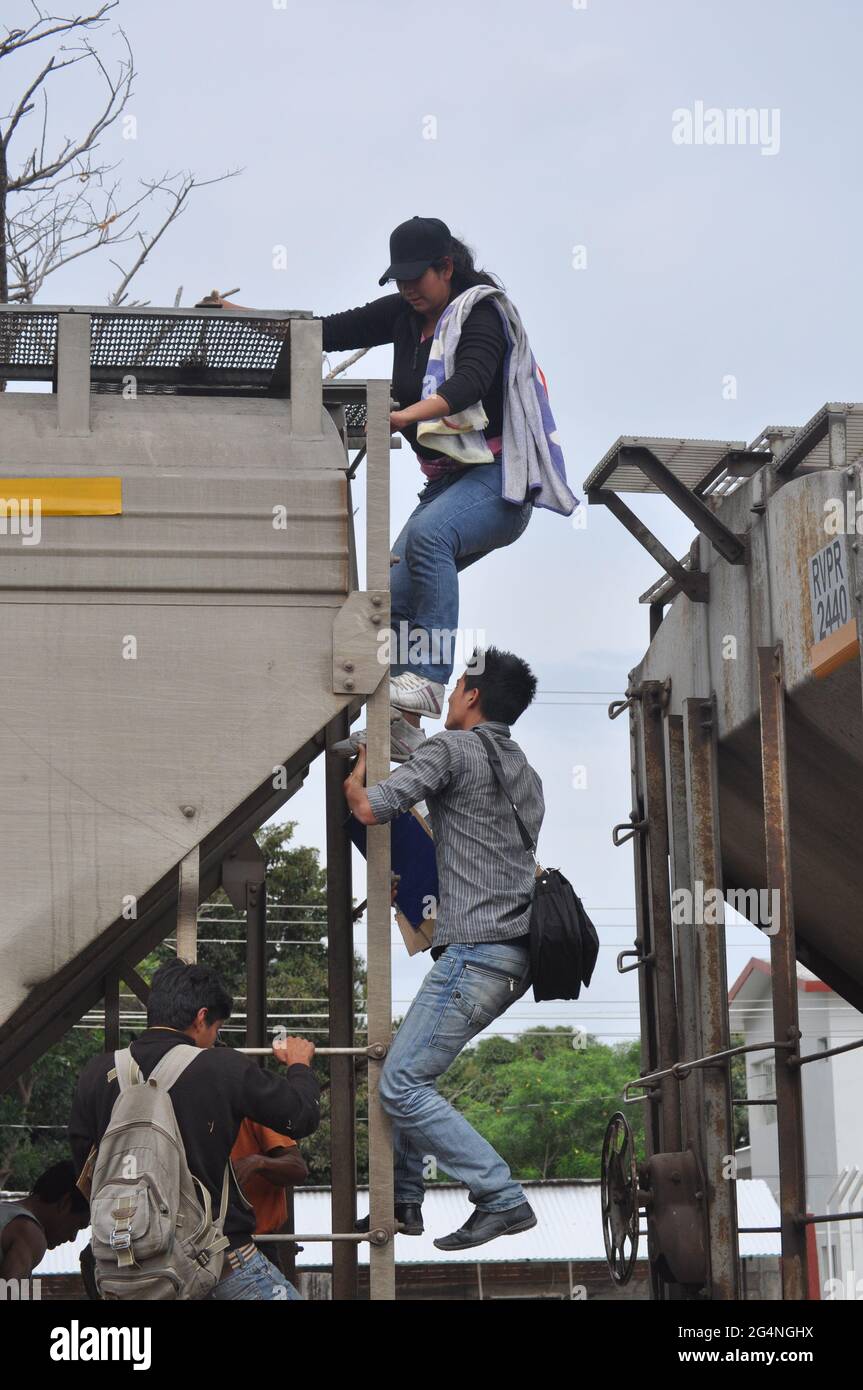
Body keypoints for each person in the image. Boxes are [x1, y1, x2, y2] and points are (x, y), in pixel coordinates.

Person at [199, 216, 576, 762]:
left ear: (446, 268)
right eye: (398, 281)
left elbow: (465, 384)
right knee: (390, 596)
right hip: (448, 484)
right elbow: (327, 331)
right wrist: (240, 317)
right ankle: (402, 728)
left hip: (498, 482)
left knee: (428, 538)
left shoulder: (482, 312)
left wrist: (403, 418)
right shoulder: (405, 313)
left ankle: (426, 681)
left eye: (416, 280)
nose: (407, 291)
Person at [343, 646, 543, 1251]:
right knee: (403, 1061)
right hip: (516, 956)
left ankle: (500, 1197)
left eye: (456, 687)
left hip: (476, 953)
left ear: (474, 697)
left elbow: (370, 807)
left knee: (400, 1083)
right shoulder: (524, 771)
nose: (449, 696)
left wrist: (358, 763)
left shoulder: (452, 750)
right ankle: (404, 1197)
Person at [69, 959, 320, 1301]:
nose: (214, 1039)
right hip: (219, 1264)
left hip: (130, 1270)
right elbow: (301, 1116)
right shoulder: (220, 1066)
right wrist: (299, 1066)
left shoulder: (97, 1074)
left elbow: (85, 1171)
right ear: (202, 1017)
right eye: (216, 1029)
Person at [231, 1117, 308, 1276]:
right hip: (203, 1246)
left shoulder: (252, 1110)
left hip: (256, 1244)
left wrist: (258, 1163)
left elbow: (298, 1169)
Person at [0, 1160, 89, 1281]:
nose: (73, 1238)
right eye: (78, 1225)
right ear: (65, 1203)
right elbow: (8, 1295)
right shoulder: (30, 1234)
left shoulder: (5, 1211)